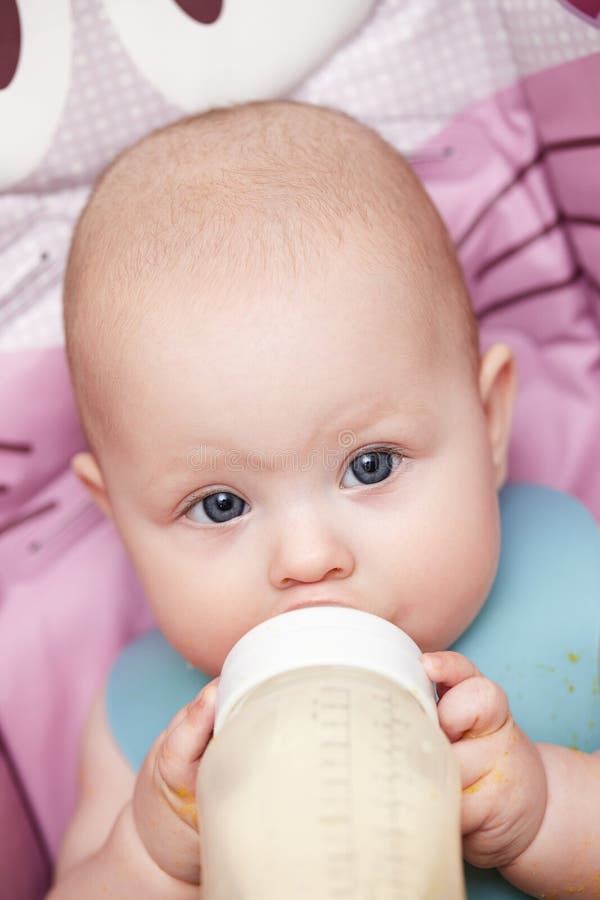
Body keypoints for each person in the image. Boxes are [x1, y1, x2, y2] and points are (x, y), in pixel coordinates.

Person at [48, 100, 598, 899]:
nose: (308, 559)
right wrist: (153, 858)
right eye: (221, 506)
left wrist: (551, 815)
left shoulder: (577, 577)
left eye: (372, 465)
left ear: (489, 425)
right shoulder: (148, 733)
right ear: (119, 520)